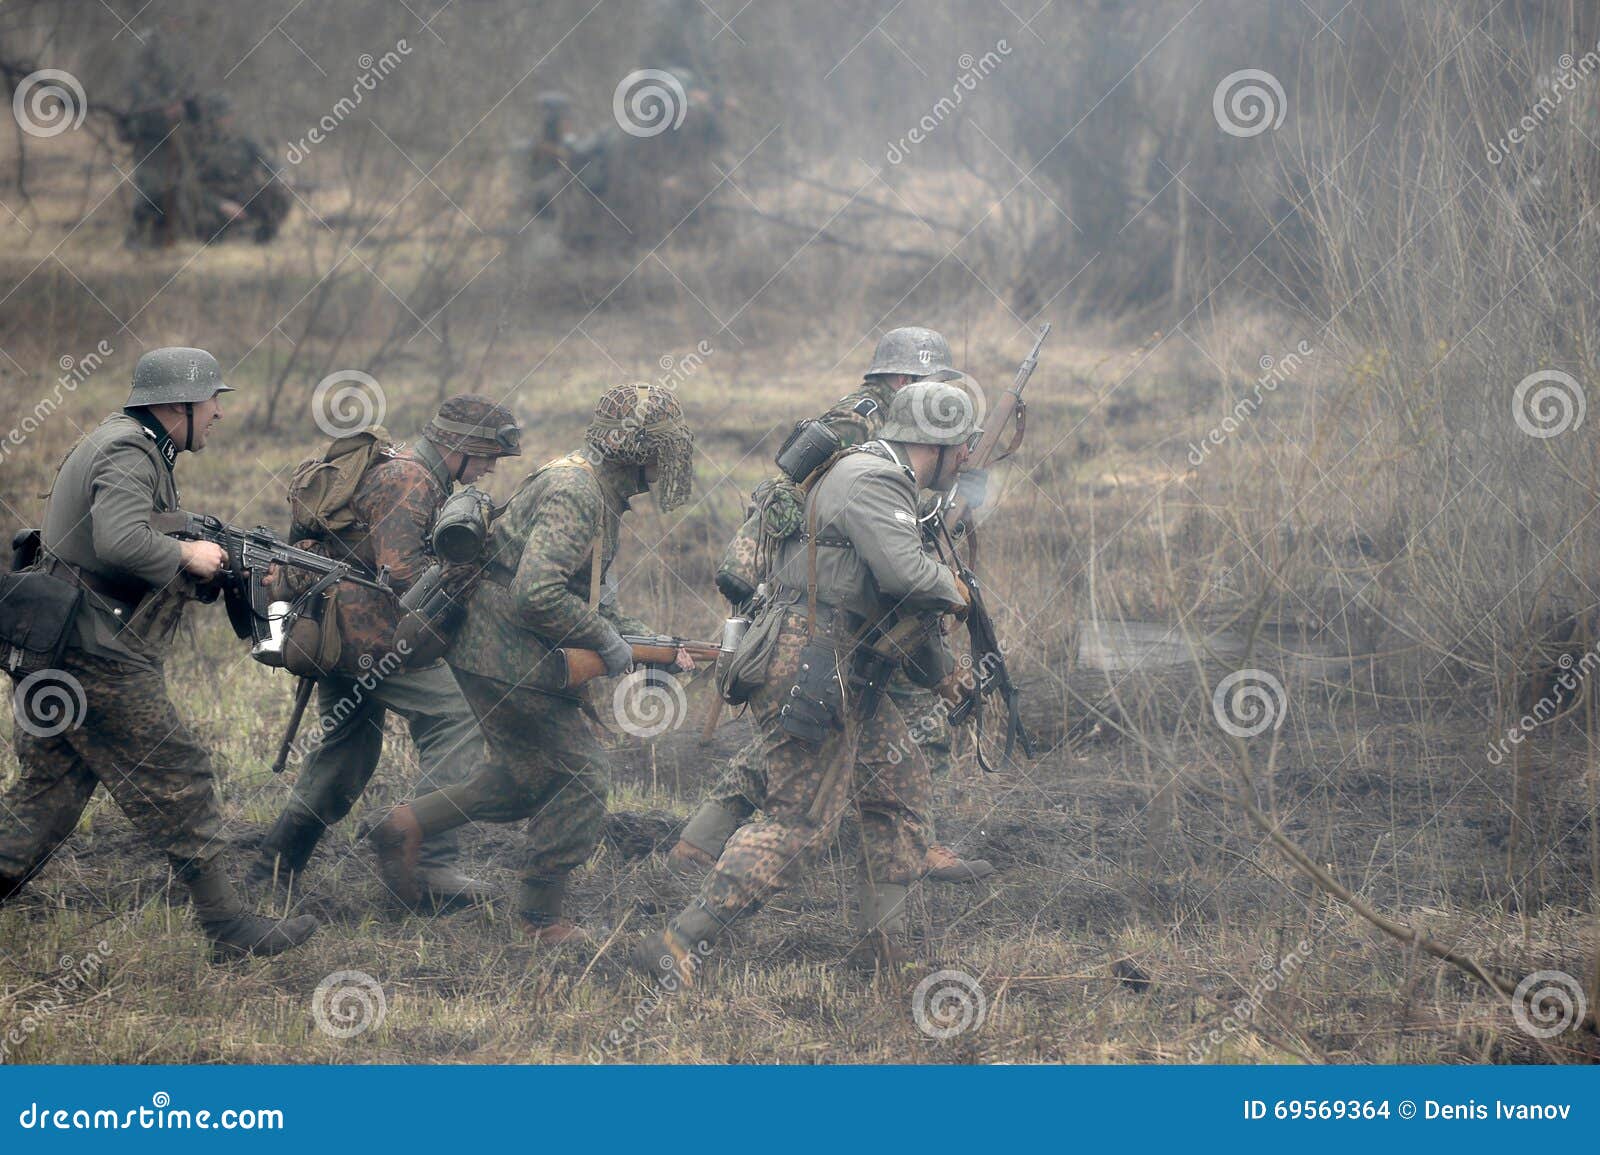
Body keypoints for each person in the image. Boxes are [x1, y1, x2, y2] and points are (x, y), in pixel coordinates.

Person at [631, 382, 979, 984]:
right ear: (938, 445)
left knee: (896, 790)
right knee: (799, 818)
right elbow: (906, 578)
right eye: (962, 449)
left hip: (835, 663)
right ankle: (677, 943)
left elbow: (893, 606)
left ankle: (883, 950)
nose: (967, 461)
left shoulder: (865, 471)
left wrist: (942, 674)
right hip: (815, 662)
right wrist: (956, 590)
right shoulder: (877, 479)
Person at [0, 348, 317, 960]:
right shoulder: (129, 450)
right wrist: (184, 556)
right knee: (180, 775)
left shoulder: (128, 443)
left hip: (65, 644)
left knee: (48, 798)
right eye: (211, 402)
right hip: (94, 652)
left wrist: (205, 556)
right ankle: (229, 930)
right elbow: (120, 541)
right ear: (177, 405)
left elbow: (119, 535)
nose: (219, 413)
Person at [366, 384, 697, 943]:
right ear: (636, 451)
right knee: (583, 776)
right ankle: (541, 917)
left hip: (496, 649)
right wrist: (608, 643)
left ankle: (403, 827)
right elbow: (537, 594)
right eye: (661, 448)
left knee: (523, 779)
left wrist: (650, 644)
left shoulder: (591, 487)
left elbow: (593, 598)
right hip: (506, 653)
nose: (669, 461)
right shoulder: (578, 492)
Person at [669, 325, 995, 884]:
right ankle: (911, 846)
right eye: (932, 383)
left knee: (811, 729)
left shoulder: (868, 420)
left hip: (835, 595)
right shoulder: (864, 426)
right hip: (832, 600)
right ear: (902, 379)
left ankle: (701, 840)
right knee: (897, 723)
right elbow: (848, 514)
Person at [249, 396, 522, 909]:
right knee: (457, 716)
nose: (488, 469)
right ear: (458, 446)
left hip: (338, 631)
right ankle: (431, 861)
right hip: (369, 637)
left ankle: (272, 869)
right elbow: (405, 577)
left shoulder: (410, 470)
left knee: (347, 753)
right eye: (486, 455)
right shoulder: (412, 478)